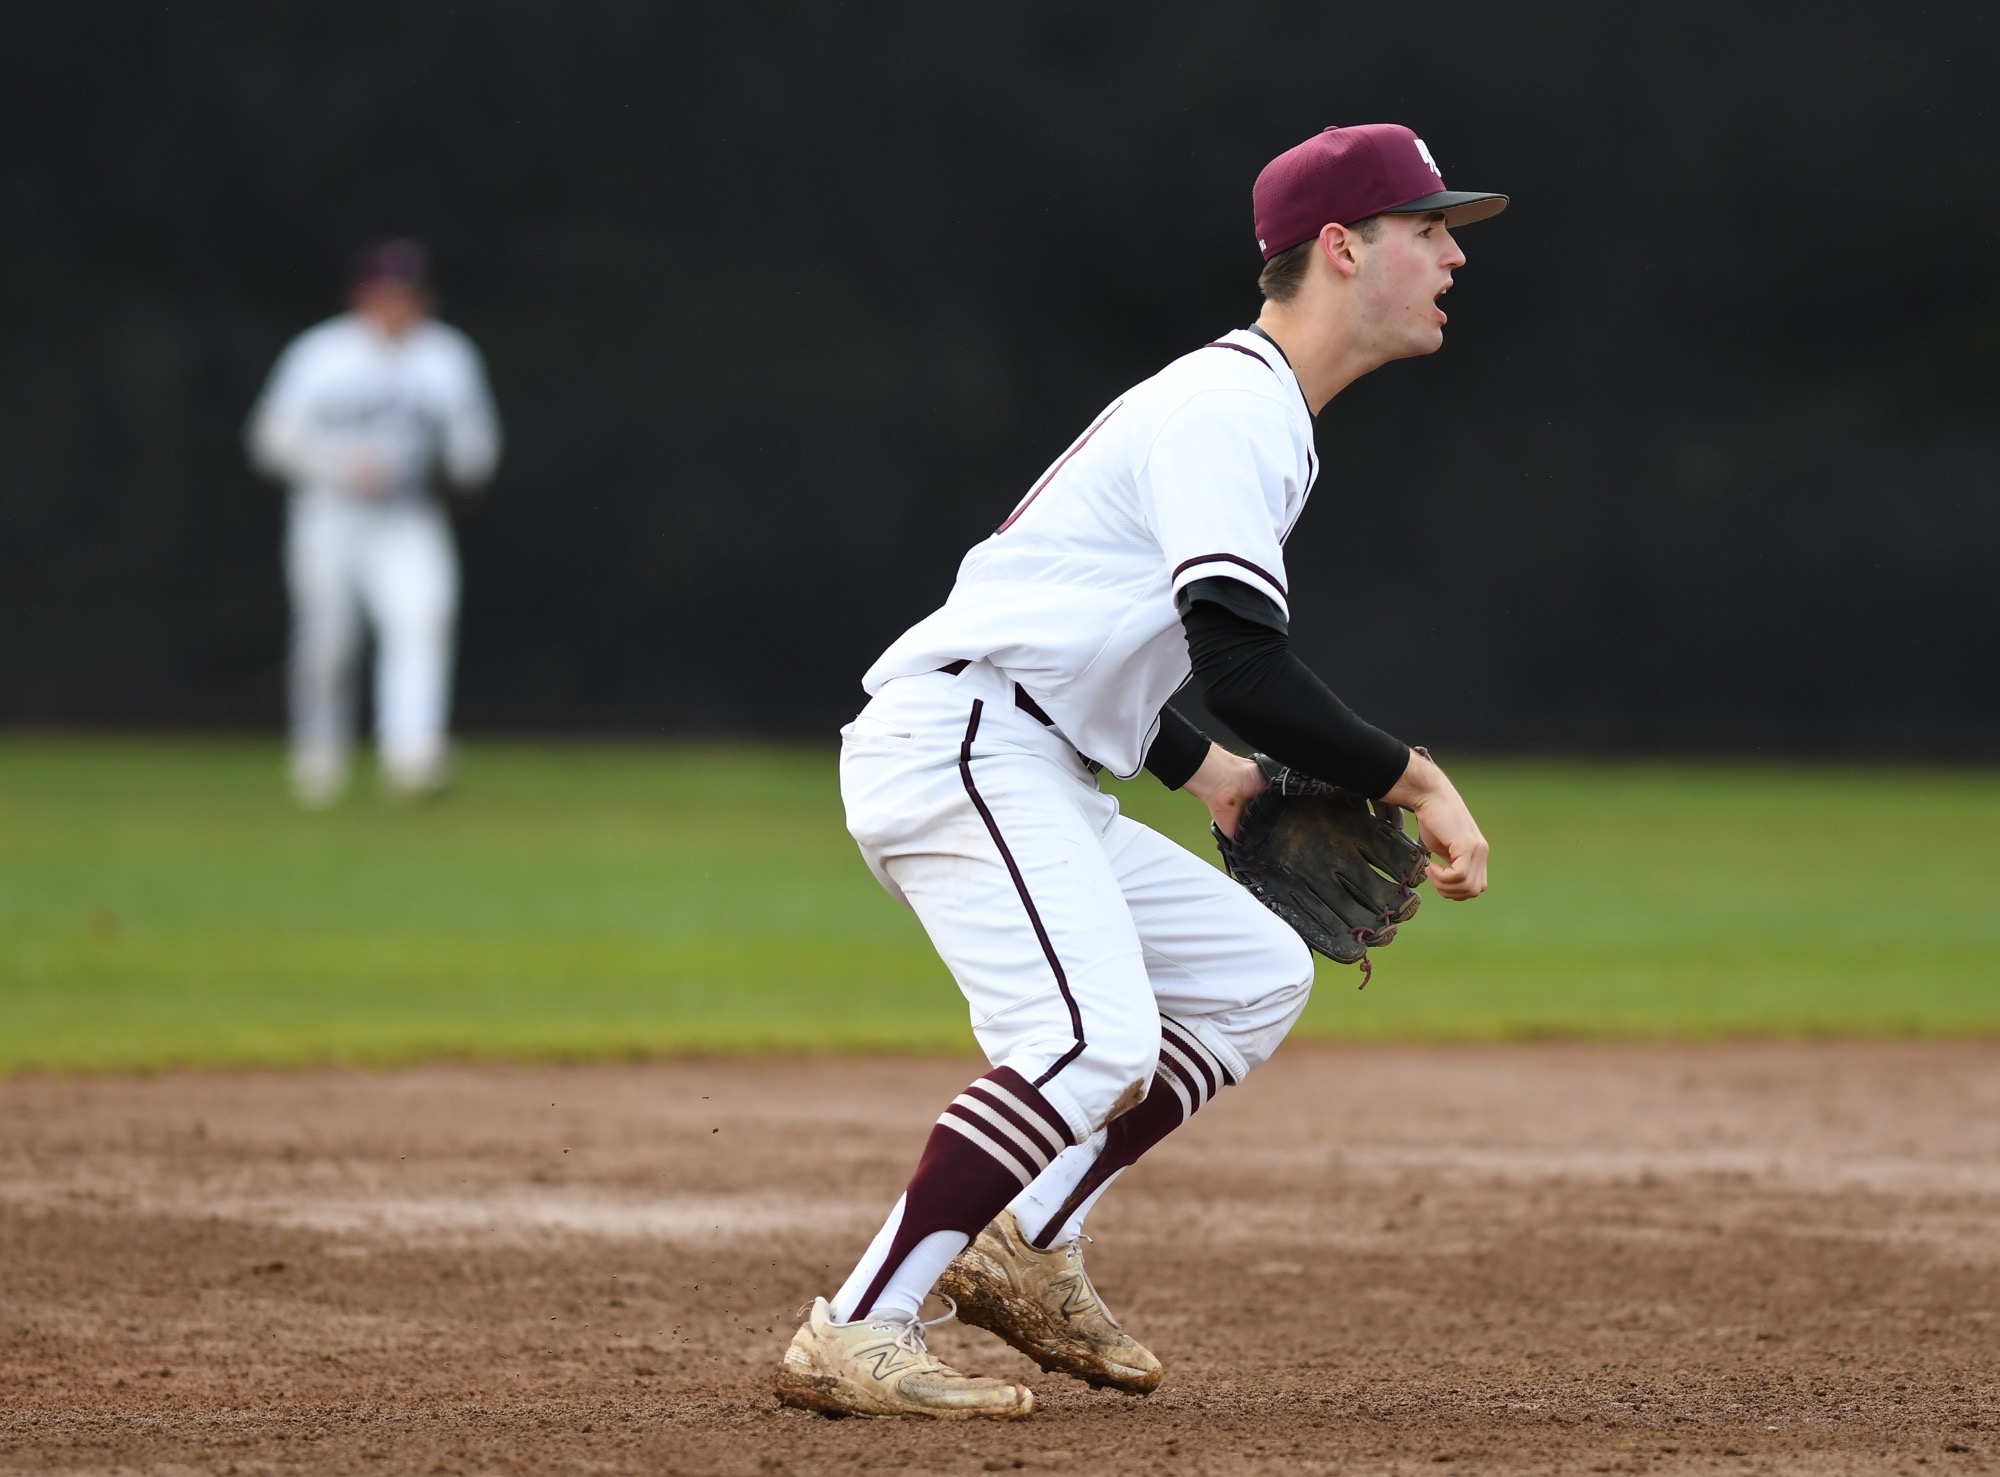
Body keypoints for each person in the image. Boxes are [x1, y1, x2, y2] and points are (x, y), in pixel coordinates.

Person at [775, 124, 1503, 1421]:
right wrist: (1415, 779)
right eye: (1428, 228)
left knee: (1251, 974)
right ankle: (861, 1322)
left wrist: (1212, 777)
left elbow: (1085, 633)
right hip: (963, 745)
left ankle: (1030, 1236)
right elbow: (1240, 662)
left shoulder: (1250, 408)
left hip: (1022, 746)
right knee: (1086, 1036)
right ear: (1343, 248)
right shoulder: (1234, 409)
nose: (1453, 254)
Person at [246, 241, 501, 805]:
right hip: (329, 515)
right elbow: (269, 437)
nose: (397, 304)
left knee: (422, 622)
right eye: (387, 292)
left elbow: (475, 447)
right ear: (361, 295)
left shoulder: (447, 357)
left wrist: (454, 470)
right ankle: (319, 756)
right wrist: (338, 466)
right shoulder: (321, 353)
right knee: (327, 643)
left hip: (409, 516)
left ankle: (411, 755)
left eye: (408, 293)